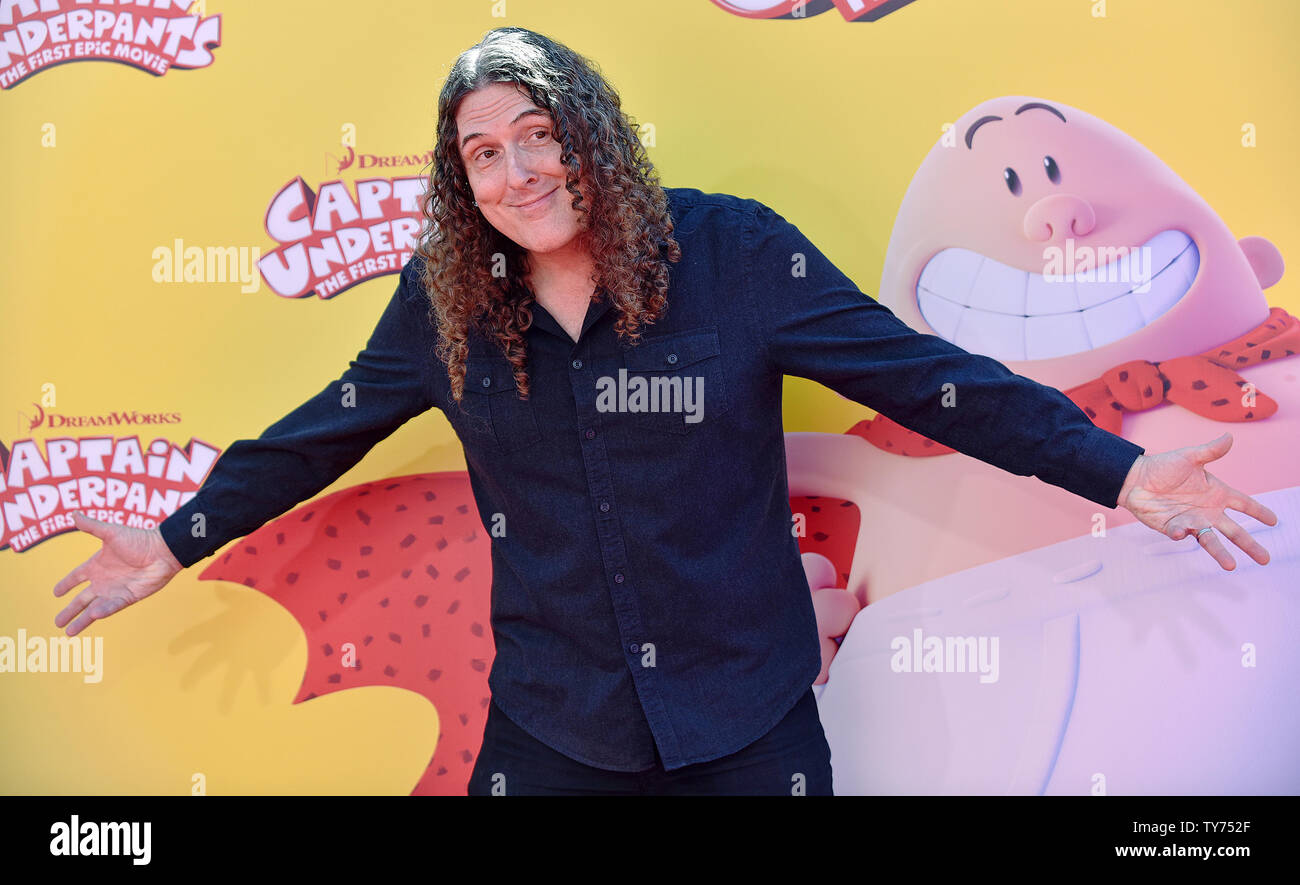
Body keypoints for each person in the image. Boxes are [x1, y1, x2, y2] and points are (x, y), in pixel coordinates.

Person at [52, 27, 1277, 796]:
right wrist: (174, 538)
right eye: (483, 154)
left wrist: (1115, 475)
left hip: (747, 721)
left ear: (593, 138)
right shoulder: (448, 307)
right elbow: (324, 429)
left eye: (540, 135)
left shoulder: (731, 253)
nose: (518, 170)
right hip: (552, 731)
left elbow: (925, 380)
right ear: (460, 182)